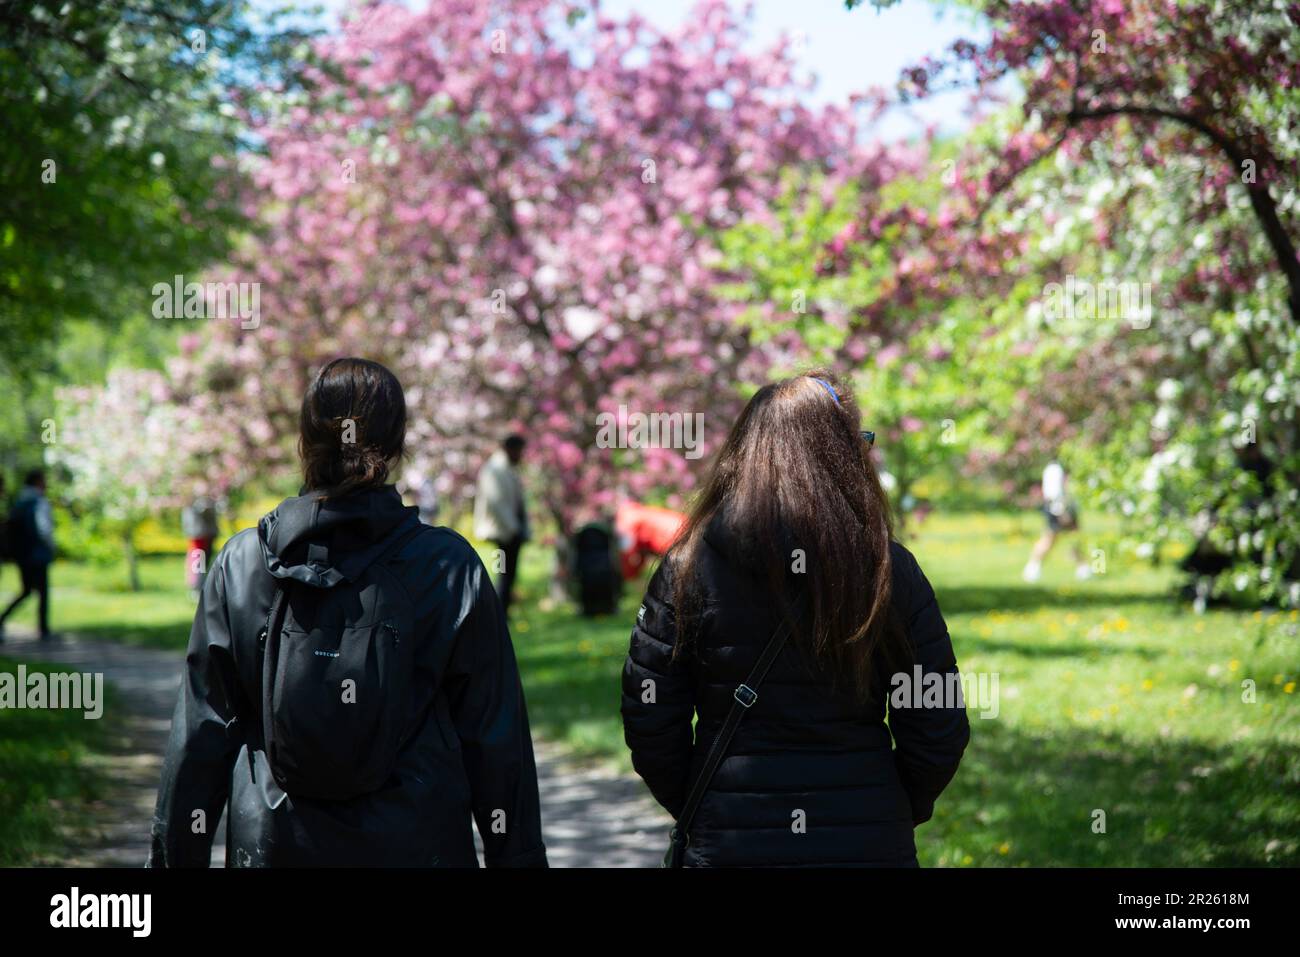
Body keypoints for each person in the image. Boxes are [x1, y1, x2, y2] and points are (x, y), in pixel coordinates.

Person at [149, 358, 547, 867]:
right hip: (417, 846)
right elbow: (496, 740)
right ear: (398, 443)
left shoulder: (242, 563)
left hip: (272, 847)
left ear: (305, 441)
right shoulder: (448, 567)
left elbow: (201, 734)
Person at [621, 372, 970, 867]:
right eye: (861, 443)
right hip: (866, 845)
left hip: (732, 845)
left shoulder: (688, 567)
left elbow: (650, 713)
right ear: (843, 457)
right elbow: (937, 723)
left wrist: (702, 802)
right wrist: (887, 807)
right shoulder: (888, 569)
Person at [473, 434, 530, 613]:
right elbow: (497, 502)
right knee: (503, 573)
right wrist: (514, 528)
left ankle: (502, 610)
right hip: (503, 533)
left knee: (507, 574)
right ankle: (499, 610)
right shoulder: (495, 469)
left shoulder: (505, 468)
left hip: (509, 532)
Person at [0, 469, 56, 643]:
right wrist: (51, 546)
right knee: (42, 592)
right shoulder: (38, 501)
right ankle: (44, 628)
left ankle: (3, 619)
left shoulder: (20, 501)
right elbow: (43, 529)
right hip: (38, 553)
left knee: (26, 590)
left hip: (22, 554)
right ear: (38, 482)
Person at [1022, 459, 1091, 583]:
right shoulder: (1054, 469)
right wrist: (1062, 512)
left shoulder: (1058, 467)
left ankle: (1083, 568)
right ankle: (1032, 568)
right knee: (1050, 539)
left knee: (1074, 538)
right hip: (1059, 509)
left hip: (1062, 507)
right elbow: (1054, 493)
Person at [180, 496, 220, 598]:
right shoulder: (192, 506)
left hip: (206, 537)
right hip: (198, 538)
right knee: (198, 564)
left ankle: (201, 587)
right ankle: (196, 588)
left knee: (203, 563)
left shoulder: (206, 501)